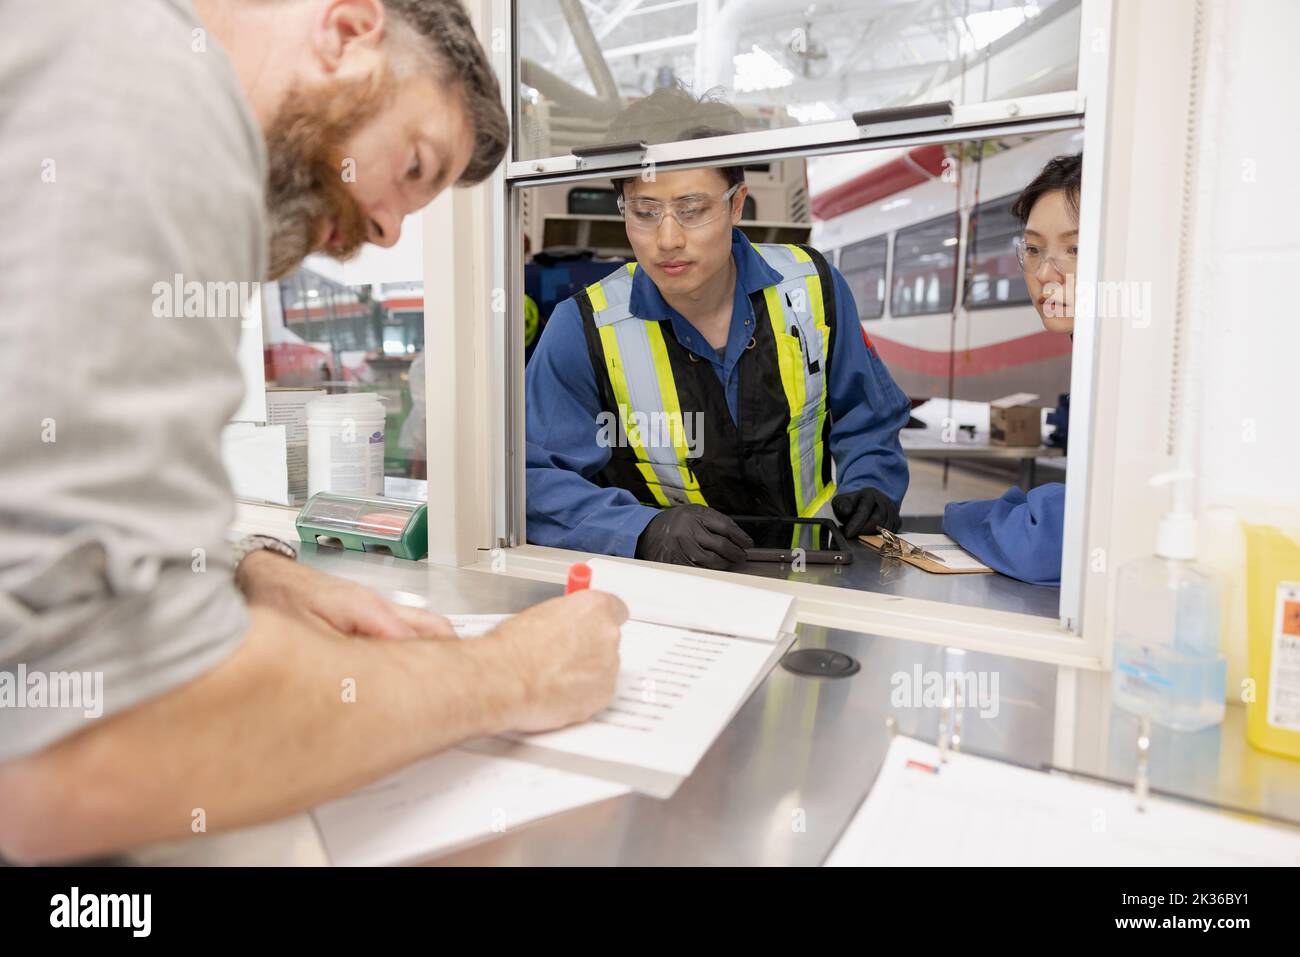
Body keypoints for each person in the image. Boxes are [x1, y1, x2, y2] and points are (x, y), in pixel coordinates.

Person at [0, 0, 626, 864]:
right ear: (347, 29)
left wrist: (244, 573)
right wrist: (509, 677)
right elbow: (64, 754)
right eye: (413, 165)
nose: (385, 232)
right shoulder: (159, 101)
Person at [526, 86, 912, 569]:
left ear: (736, 204)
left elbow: (870, 417)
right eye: (645, 212)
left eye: (692, 210)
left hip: (814, 576)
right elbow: (533, 475)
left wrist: (871, 481)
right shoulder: (584, 328)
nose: (668, 239)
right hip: (667, 586)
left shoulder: (812, 289)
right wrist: (640, 529)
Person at [942, 153, 1082, 586]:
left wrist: (965, 515)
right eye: (1034, 248)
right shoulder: (1097, 354)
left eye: (1075, 249)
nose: (1044, 273)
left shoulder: (1141, 366)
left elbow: (1049, 545)